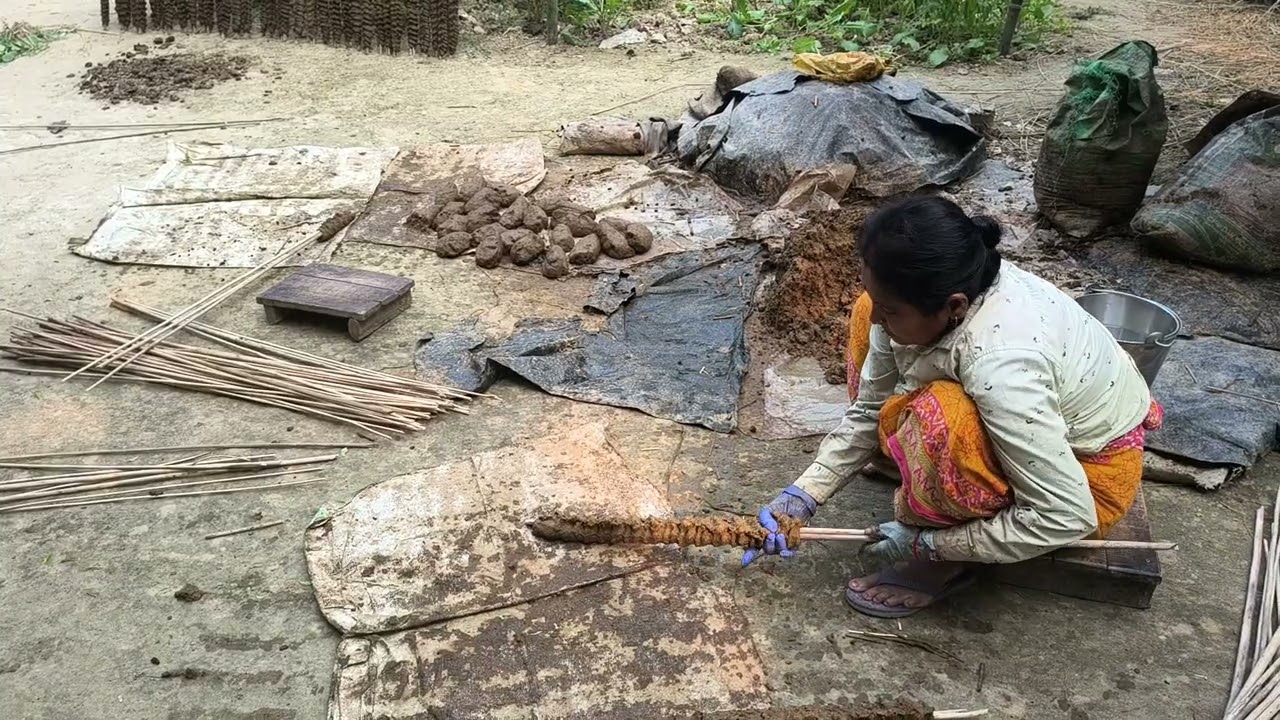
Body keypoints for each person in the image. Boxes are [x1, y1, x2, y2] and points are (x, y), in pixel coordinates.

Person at [743, 195, 1161, 618]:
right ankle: (931, 479)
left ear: (955, 306)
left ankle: (946, 564)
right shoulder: (940, 293)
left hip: (1089, 480)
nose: (877, 321)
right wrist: (804, 494)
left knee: (943, 419)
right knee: (868, 308)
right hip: (1026, 429)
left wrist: (931, 545)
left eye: (891, 312)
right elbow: (871, 408)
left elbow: (1066, 515)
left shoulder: (1004, 368)